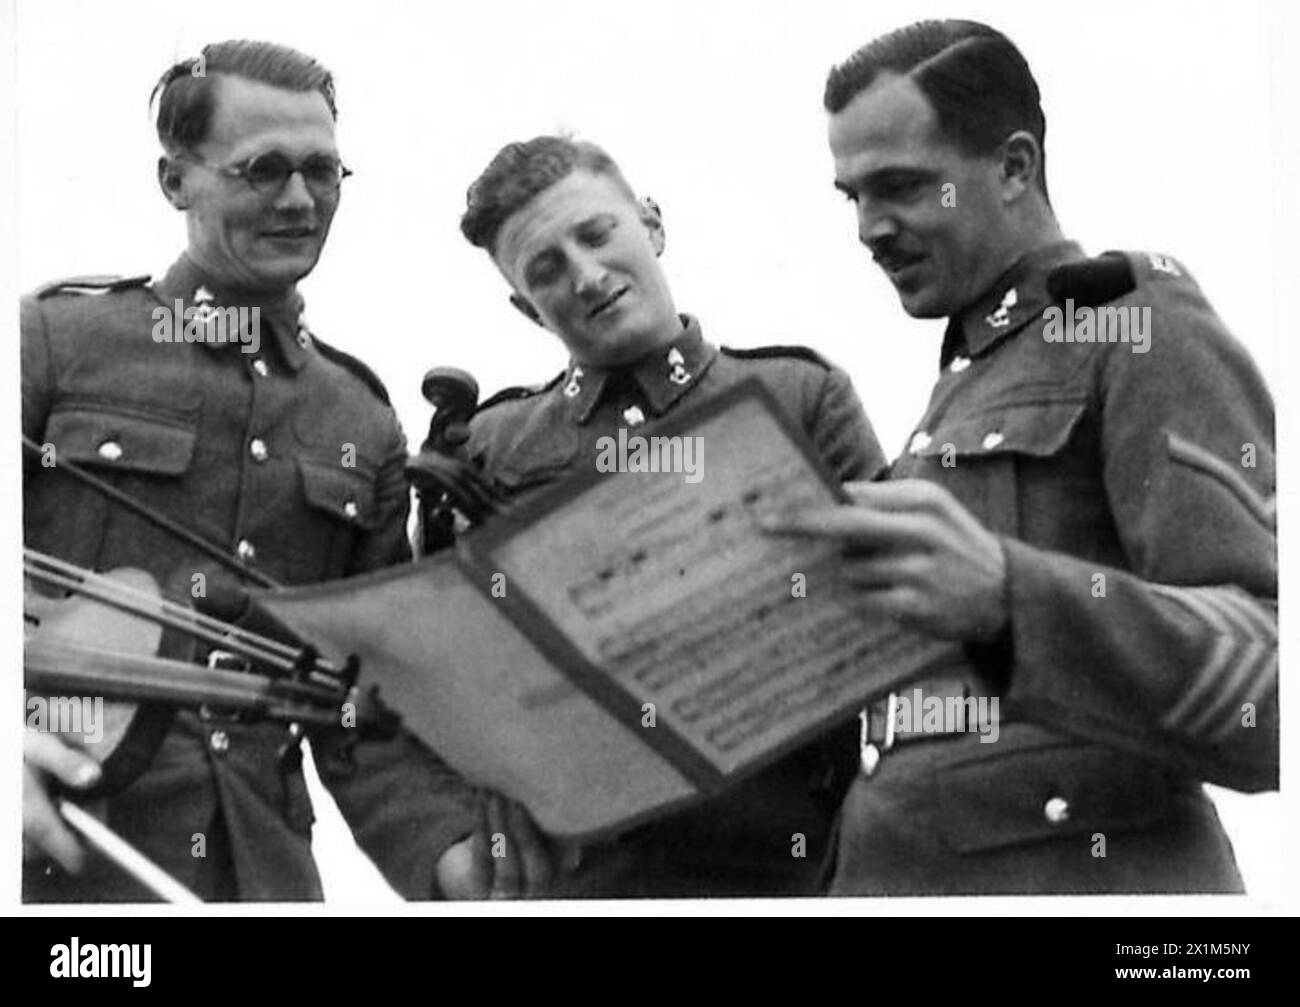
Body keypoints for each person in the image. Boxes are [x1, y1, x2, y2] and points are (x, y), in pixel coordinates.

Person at [764, 19, 1277, 893]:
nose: (867, 228)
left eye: (900, 187)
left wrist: (1011, 597)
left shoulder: (1130, 322)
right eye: (851, 196)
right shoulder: (962, 386)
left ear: (1012, 167)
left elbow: (1270, 688)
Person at [21, 39, 503, 902]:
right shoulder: (51, 344)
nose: (299, 199)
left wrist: (453, 860)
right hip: (53, 857)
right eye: (263, 169)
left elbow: (361, 705)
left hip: (262, 875)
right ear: (176, 180)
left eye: (322, 171)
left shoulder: (356, 416)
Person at [429, 134, 889, 896]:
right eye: (546, 269)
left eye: (597, 234)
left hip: (789, 863)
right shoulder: (493, 444)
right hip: (582, 879)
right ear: (524, 306)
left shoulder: (799, 396)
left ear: (652, 225)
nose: (585, 276)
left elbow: (896, 621)